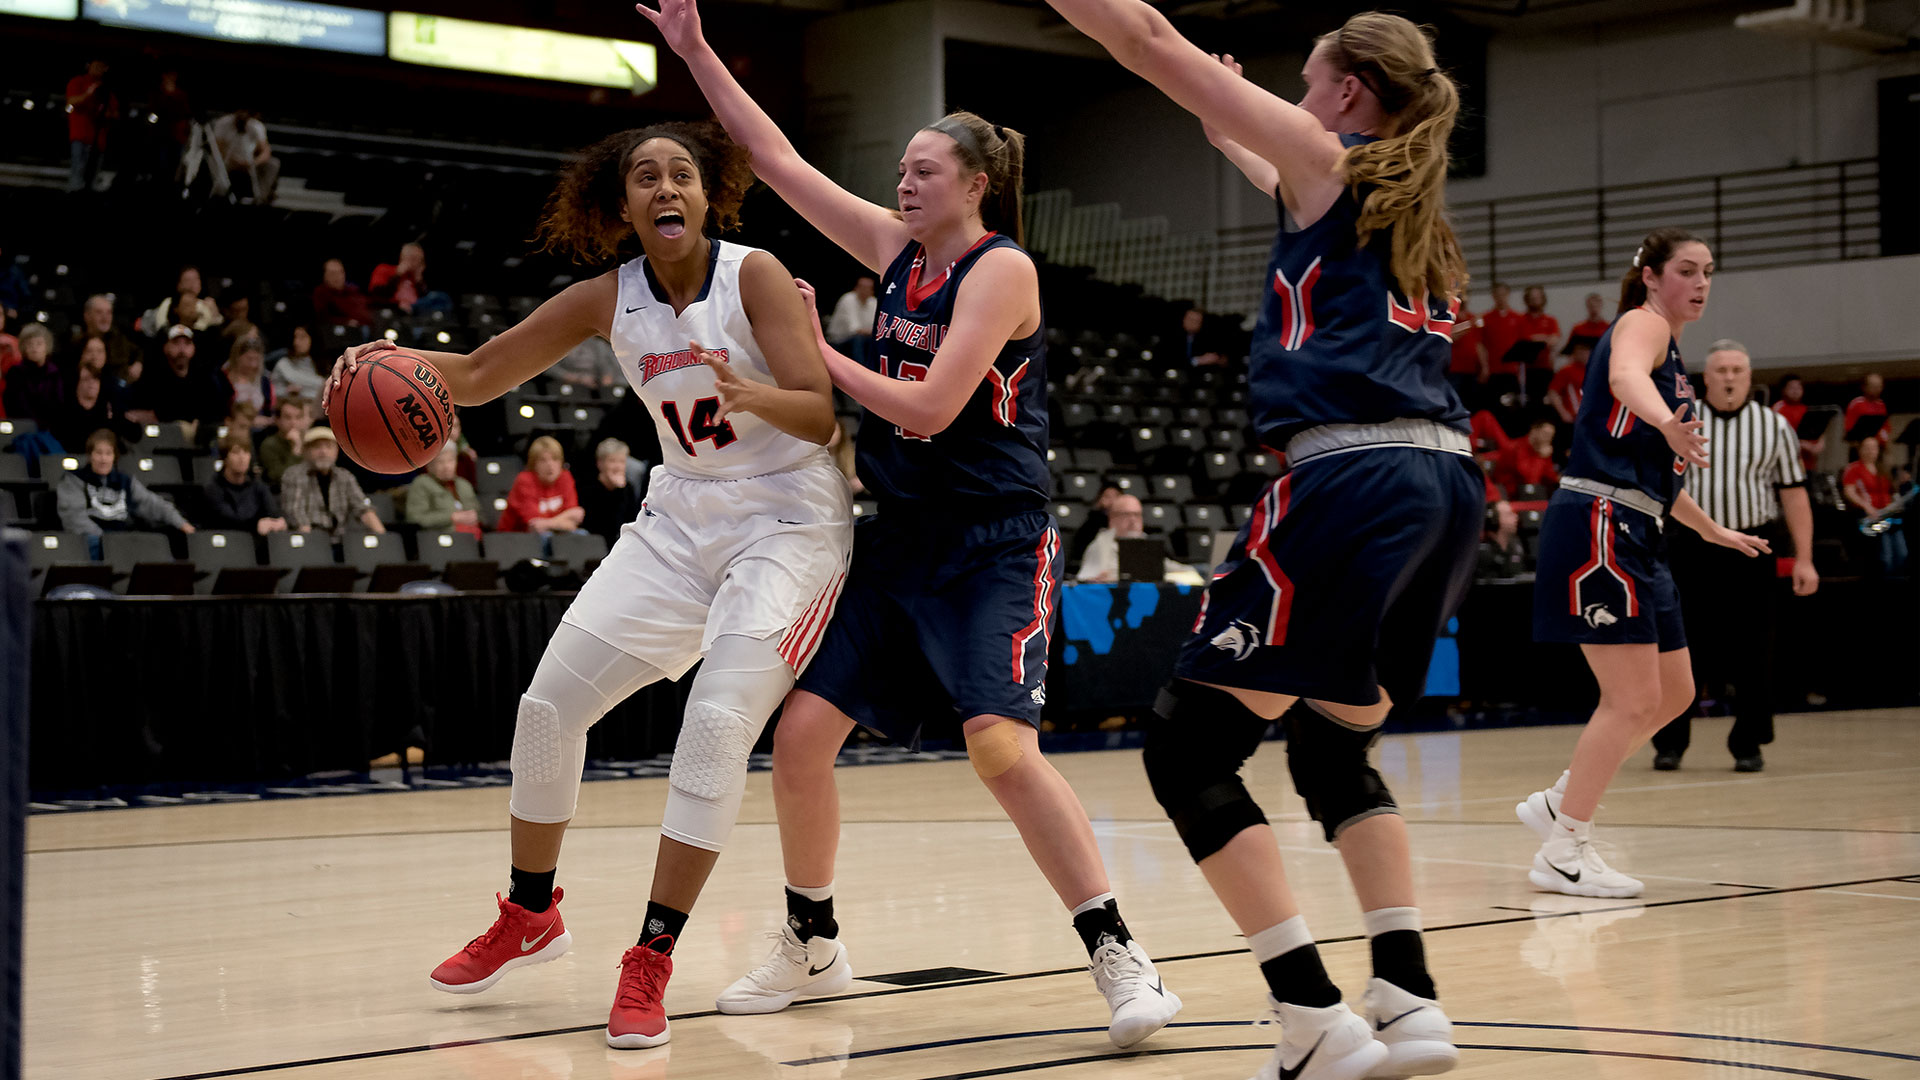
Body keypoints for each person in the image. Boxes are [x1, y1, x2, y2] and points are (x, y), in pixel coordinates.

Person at [644, 0, 1182, 1050]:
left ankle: (1121, 952)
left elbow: (931, 405)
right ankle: (813, 941)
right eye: (901, 168)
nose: (904, 182)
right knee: (799, 739)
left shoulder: (1004, 270)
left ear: (977, 185)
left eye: (925, 170)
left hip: (995, 537)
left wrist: (812, 345)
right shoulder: (895, 250)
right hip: (899, 539)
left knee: (998, 746)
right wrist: (699, 52)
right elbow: (772, 155)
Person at [324, 119, 851, 1052]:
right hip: (682, 517)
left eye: (681, 174)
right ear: (623, 208)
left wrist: (752, 392)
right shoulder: (612, 297)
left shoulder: (756, 274)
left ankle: (651, 954)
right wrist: (379, 363)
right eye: (645, 178)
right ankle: (531, 912)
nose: (665, 189)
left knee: (718, 726)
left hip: (787, 521)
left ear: (708, 194)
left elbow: (818, 417)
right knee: (547, 708)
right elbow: (481, 375)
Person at [1046, 8, 1480, 1076]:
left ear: (1344, 94)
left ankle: (1310, 1017)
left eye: (1303, 78)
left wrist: (1181, 75)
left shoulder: (1339, 159)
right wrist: (1226, 133)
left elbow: (1148, 36)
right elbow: (1279, 172)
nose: (1291, 93)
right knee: (1335, 745)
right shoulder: (1413, 207)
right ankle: (1409, 994)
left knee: (1188, 751)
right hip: (1444, 485)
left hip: (1349, 476)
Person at [1522, 227, 1770, 902]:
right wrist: (1665, 420)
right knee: (1631, 698)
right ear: (1653, 276)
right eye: (1687, 270)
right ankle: (1564, 848)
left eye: (1709, 271)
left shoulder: (1675, 349)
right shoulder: (1641, 323)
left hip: (1640, 522)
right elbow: (1623, 377)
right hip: (1600, 521)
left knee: (1676, 693)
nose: (1701, 282)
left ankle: (1561, 800)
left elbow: (1660, 473)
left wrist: (1711, 528)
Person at [1649, 340, 1816, 774]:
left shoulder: (1774, 426)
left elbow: (1794, 495)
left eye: (1737, 370)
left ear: (1749, 376)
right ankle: (1670, 741)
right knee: (1681, 648)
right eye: (1720, 370)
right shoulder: (1681, 421)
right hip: (1690, 547)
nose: (1728, 378)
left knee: (1754, 648)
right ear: (1706, 377)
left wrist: (1805, 558)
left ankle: (1749, 742)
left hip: (1752, 546)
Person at [57, 429, 194, 558]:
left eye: (108, 453)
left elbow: (152, 503)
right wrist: (107, 542)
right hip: (93, 540)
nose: (103, 459)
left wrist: (182, 524)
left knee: (156, 543)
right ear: (90, 455)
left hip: (122, 539)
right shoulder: (74, 479)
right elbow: (74, 518)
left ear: (114, 456)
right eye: (98, 453)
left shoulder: (125, 481)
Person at [278, 426, 384, 540]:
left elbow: (363, 509)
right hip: (309, 540)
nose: (323, 452)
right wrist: (313, 547)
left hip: (340, 541)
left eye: (329, 447)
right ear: (306, 451)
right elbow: (295, 514)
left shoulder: (344, 476)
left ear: (337, 451)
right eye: (317, 447)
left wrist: (383, 538)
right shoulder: (294, 475)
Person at [1073, 494, 1205, 585]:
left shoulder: (1145, 543)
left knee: (1204, 570)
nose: (1132, 520)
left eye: (1136, 515)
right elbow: (1090, 578)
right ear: (1112, 519)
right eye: (1126, 514)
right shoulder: (1100, 546)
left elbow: (1166, 567)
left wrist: (1190, 572)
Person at [1843, 436, 1908, 574]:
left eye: (1874, 447)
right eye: (1866, 447)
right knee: (1885, 555)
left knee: (1902, 553)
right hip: (1872, 517)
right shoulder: (1854, 469)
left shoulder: (1882, 469)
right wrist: (1866, 506)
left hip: (1888, 515)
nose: (1870, 451)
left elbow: (1890, 491)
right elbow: (1849, 491)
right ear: (1860, 450)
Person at [496, 436, 586, 534]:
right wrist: (564, 520)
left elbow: (574, 522)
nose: (550, 465)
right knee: (546, 535)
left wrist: (547, 523)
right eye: (543, 460)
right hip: (516, 538)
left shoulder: (565, 477)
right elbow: (535, 526)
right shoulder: (524, 480)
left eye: (555, 459)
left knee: (581, 534)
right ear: (534, 464)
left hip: (554, 533)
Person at [203, 432, 288, 534]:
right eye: (236, 452)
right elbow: (228, 521)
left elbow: (274, 515)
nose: (242, 458)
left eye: (246, 452)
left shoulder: (258, 486)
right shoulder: (213, 487)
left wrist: (278, 523)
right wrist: (257, 525)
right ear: (225, 458)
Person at [405, 441, 483, 539]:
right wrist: (451, 518)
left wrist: (475, 517)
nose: (446, 466)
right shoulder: (421, 483)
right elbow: (415, 519)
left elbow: (480, 515)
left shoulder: (464, 484)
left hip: (472, 539)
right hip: (439, 539)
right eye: (441, 462)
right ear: (429, 465)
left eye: (450, 461)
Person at [65, 59, 117, 194]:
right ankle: (74, 194)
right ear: (88, 66)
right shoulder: (78, 82)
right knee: (78, 168)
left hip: (98, 139)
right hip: (80, 134)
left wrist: (106, 112)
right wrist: (88, 94)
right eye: (96, 66)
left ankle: (89, 197)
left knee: (93, 172)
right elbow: (71, 101)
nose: (98, 69)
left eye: (102, 66)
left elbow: (114, 113)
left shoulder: (107, 89)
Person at [576, 437, 640, 546]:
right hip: (593, 544)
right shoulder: (587, 487)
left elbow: (631, 521)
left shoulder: (628, 488)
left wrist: (620, 491)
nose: (618, 466)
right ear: (600, 463)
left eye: (622, 461)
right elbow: (598, 525)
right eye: (612, 461)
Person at [209, 109, 279, 204]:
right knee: (211, 161)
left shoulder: (256, 126)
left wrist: (254, 162)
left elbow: (265, 151)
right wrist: (232, 161)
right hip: (228, 162)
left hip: (249, 163)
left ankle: (260, 199)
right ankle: (217, 194)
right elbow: (217, 149)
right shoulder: (223, 123)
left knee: (272, 164)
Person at [2, 324, 62, 429]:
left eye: (39, 344)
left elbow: (58, 406)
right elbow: (14, 406)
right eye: (30, 344)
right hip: (22, 428)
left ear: (47, 346)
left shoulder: (55, 374)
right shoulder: (15, 373)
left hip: (50, 429)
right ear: (23, 347)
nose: (34, 348)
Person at [368, 243, 451, 315]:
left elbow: (424, 298)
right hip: (392, 309)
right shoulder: (385, 269)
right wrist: (398, 275)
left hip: (416, 312)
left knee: (440, 297)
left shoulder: (417, 277)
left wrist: (418, 280)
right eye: (413, 258)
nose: (416, 263)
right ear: (403, 257)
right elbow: (378, 294)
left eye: (420, 260)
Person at [1516, 285, 1561, 405]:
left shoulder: (1550, 320)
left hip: (1546, 368)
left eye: (1537, 297)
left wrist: (1537, 339)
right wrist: (1544, 339)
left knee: (1547, 403)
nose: (1534, 300)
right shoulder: (1521, 320)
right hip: (1527, 370)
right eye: (1532, 298)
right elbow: (1524, 341)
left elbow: (1554, 340)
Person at [144, 266, 223, 335]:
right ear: (179, 285)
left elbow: (216, 329)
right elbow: (161, 325)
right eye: (187, 280)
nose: (192, 284)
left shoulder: (207, 303)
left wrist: (214, 312)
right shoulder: (170, 302)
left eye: (196, 279)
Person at [1771, 373, 1824, 473]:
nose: (1796, 391)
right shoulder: (1778, 409)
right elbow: (1778, 436)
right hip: (1787, 464)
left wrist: (1818, 445)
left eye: (1798, 387)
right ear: (1784, 390)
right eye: (1791, 388)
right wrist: (1803, 445)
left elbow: (1819, 431)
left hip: (1808, 464)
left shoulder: (1806, 409)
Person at [77, 295, 141, 376]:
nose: (105, 318)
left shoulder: (119, 339)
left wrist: (138, 364)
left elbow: (138, 352)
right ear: (87, 316)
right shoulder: (76, 343)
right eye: (99, 312)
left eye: (109, 312)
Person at [1491, 418, 1560, 493]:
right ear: (1534, 430)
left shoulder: (1542, 450)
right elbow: (1530, 480)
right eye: (1545, 434)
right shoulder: (1516, 447)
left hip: (1527, 493)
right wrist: (1540, 457)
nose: (1548, 439)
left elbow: (1551, 478)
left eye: (1551, 436)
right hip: (1508, 493)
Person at [1445, 286, 1488, 406]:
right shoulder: (1449, 317)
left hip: (1471, 369)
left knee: (1472, 402)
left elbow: (1479, 344)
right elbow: (1451, 335)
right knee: (1454, 401)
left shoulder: (1472, 317)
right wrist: (1470, 324)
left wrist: (1484, 366)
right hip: (1454, 369)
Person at [823, 274, 877, 366]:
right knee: (858, 338)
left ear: (872, 290)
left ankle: (877, 370)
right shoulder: (848, 299)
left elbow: (876, 328)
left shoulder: (873, 302)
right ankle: (861, 369)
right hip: (838, 340)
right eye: (862, 287)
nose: (865, 290)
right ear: (856, 288)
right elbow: (855, 329)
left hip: (863, 339)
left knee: (877, 341)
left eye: (868, 288)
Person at [258, 397, 309, 485]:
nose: (293, 422)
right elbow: (280, 478)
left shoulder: (309, 442)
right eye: (288, 417)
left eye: (298, 417)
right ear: (278, 420)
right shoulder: (269, 445)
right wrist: (296, 451)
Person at [269, 326, 325, 402]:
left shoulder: (322, 365)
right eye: (295, 337)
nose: (296, 342)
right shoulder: (283, 365)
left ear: (313, 339)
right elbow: (272, 392)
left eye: (302, 337)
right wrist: (286, 391)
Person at [311, 259, 372, 326]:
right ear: (324, 276)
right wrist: (346, 322)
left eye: (340, 272)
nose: (337, 276)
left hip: (365, 327)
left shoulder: (352, 291)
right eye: (332, 273)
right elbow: (323, 318)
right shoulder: (321, 293)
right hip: (341, 331)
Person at [1844, 372, 1890, 445]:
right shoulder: (1856, 403)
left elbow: (1885, 428)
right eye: (1873, 386)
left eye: (1879, 386)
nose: (1877, 389)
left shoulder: (1881, 405)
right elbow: (1849, 428)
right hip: (1859, 445)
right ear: (1865, 387)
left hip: (1878, 446)